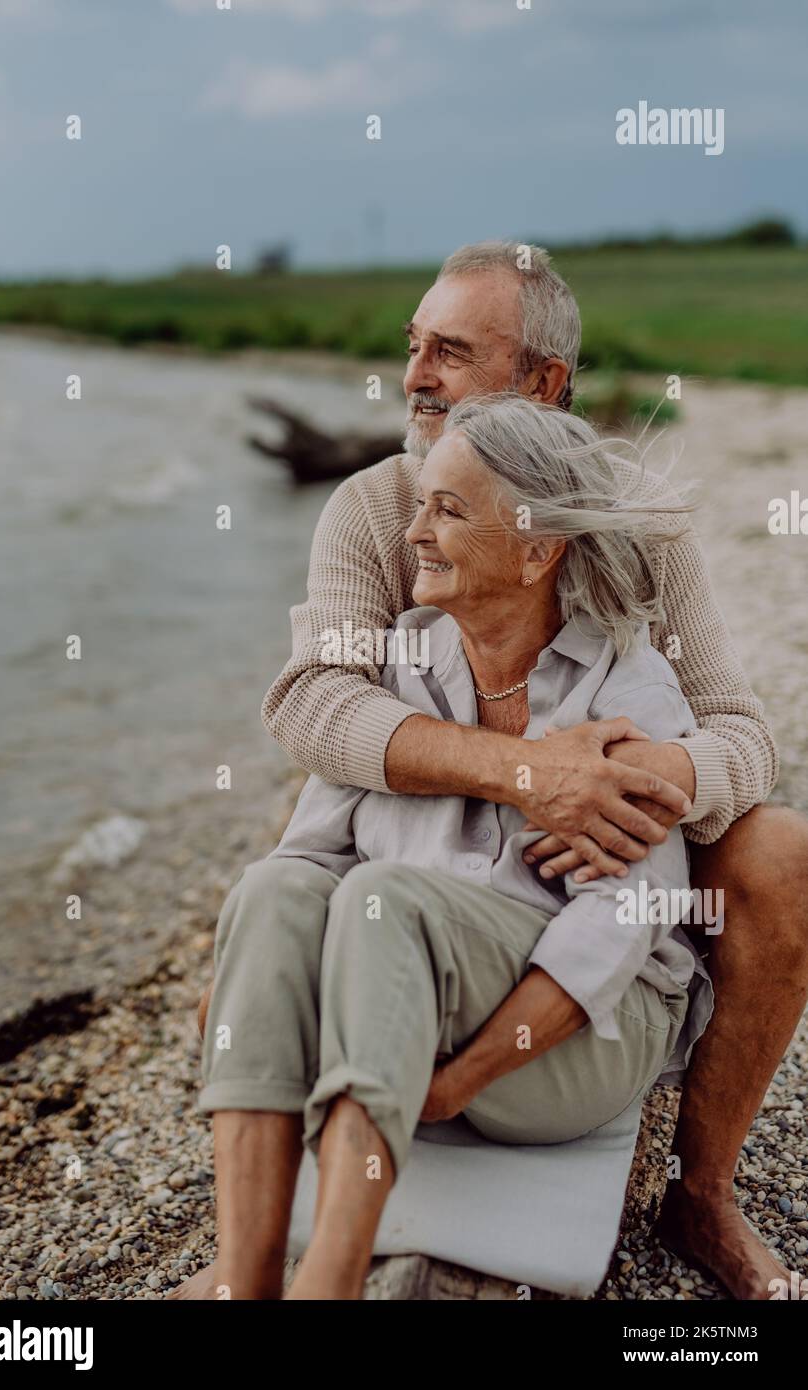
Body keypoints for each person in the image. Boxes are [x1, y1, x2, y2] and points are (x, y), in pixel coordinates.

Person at [256, 242, 808, 1300]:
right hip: (436, 855)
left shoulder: (636, 521)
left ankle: (700, 1193)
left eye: (450, 353)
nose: (412, 377)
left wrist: (640, 774)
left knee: (779, 847)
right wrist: (529, 773)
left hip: (594, 866)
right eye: (411, 347)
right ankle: (279, 1212)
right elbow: (312, 706)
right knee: (295, 857)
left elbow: (742, 734)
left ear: (542, 382)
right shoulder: (371, 511)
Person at [175, 395, 716, 1300]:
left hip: (568, 1049)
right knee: (271, 895)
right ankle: (248, 1275)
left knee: (385, 899)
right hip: (405, 1014)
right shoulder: (402, 663)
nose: (415, 533)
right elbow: (307, 859)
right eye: (421, 503)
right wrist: (249, 980)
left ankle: (329, 1289)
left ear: (540, 549)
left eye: (448, 510)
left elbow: (622, 927)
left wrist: (459, 1082)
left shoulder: (630, 692)